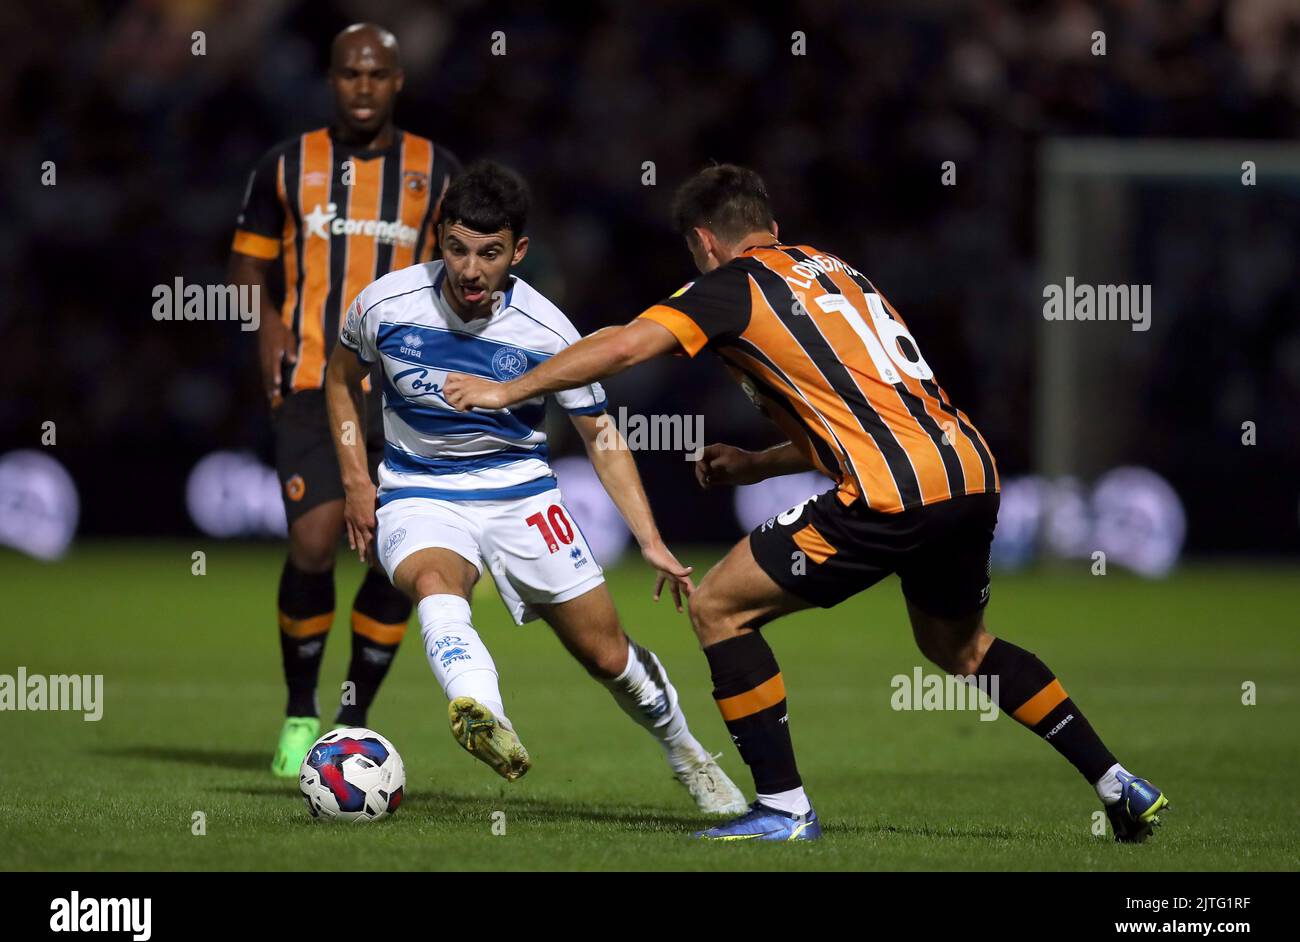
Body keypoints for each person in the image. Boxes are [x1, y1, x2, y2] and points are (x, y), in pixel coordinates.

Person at [443, 163, 1170, 842]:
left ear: (704, 242)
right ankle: (1117, 782)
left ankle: (784, 807)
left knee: (718, 606)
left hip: (890, 493)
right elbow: (862, 413)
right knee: (960, 647)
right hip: (970, 473)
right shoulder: (841, 274)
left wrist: (507, 389)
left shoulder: (734, 284)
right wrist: (760, 464)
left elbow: (629, 346)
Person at [323, 161, 746, 814]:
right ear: (439, 238)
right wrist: (356, 479)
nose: (470, 270)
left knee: (607, 656)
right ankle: (482, 713)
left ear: (517, 252)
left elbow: (601, 433)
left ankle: (686, 750)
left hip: (523, 495)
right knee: (436, 582)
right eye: (458, 249)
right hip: (418, 491)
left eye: (489, 254)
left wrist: (651, 538)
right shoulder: (383, 305)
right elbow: (338, 379)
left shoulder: (546, 330)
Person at [228, 23, 462, 776]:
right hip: (308, 381)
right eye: (350, 74)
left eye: (378, 74)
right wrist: (263, 332)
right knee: (316, 537)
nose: (363, 86)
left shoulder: (436, 170)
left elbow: (463, 274)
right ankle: (301, 711)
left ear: (398, 82)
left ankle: (352, 715)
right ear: (332, 80)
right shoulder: (286, 165)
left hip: (402, 394)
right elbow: (246, 268)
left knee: (398, 555)